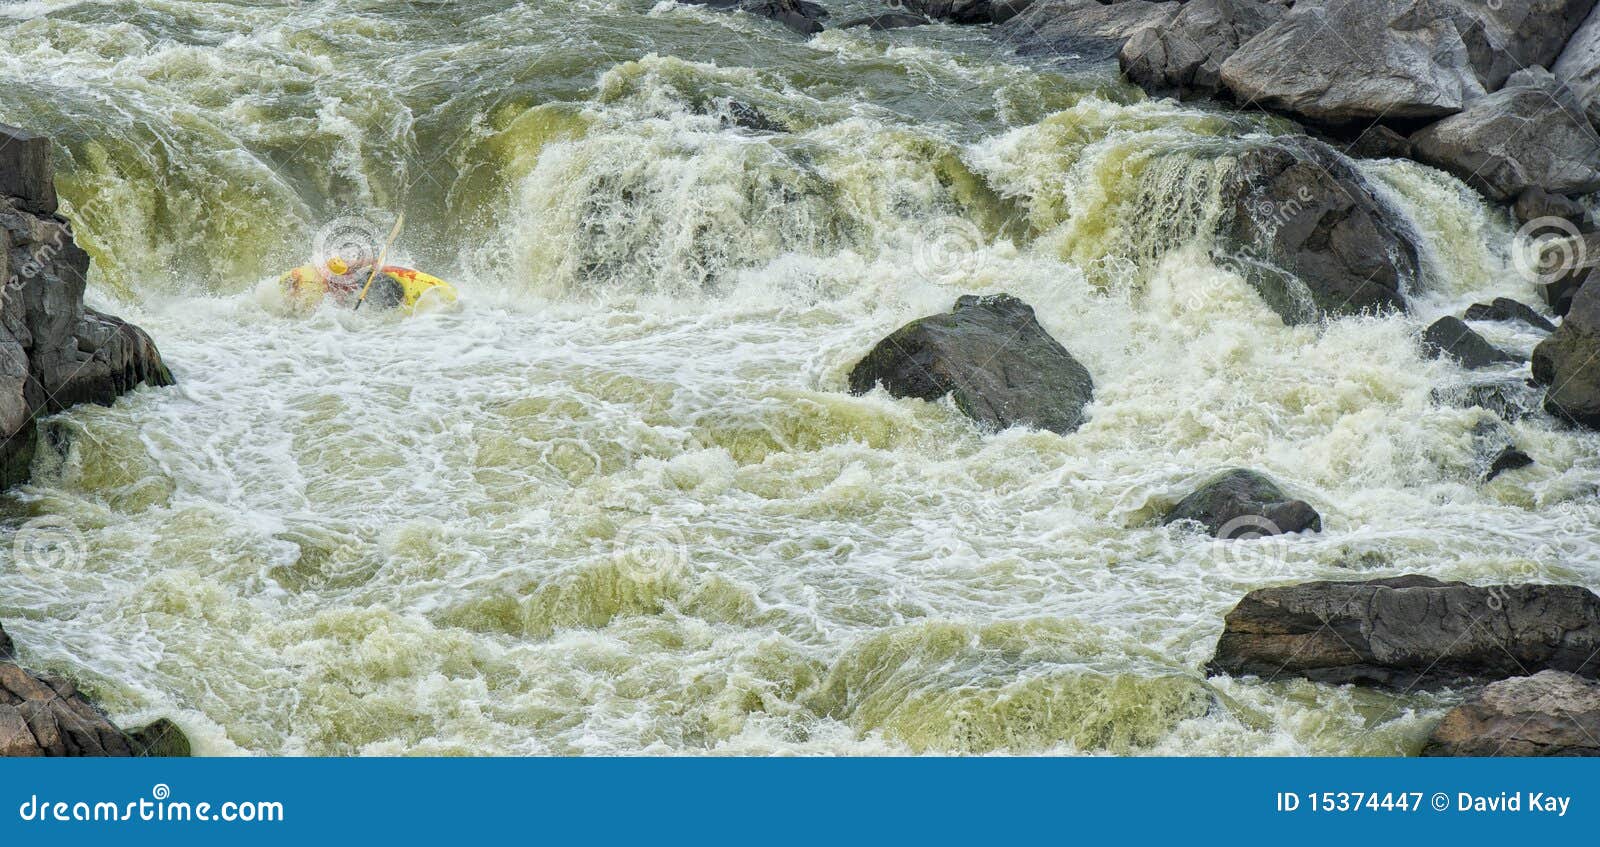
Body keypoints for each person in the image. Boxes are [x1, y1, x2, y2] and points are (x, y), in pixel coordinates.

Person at [279, 255, 458, 313]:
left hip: (367, 287)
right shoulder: (320, 280)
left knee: (371, 287)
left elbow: (366, 261)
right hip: (355, 296)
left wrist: (373, 263)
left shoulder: (349, 271)